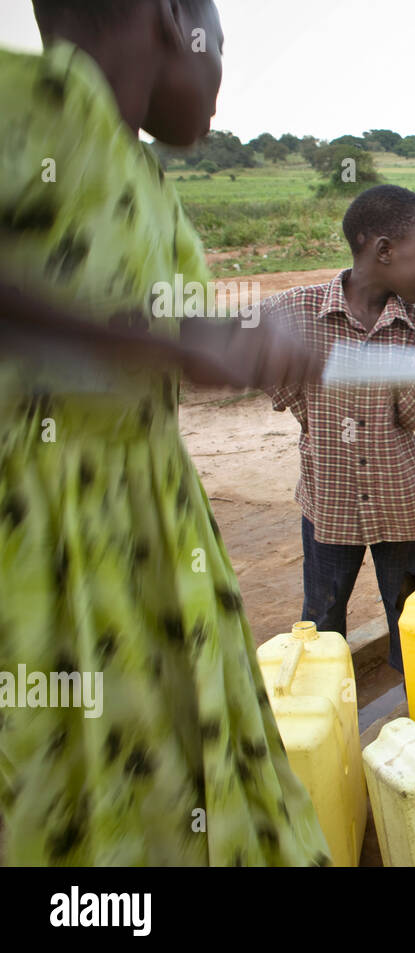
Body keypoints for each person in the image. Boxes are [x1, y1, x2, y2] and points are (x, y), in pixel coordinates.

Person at [0, 0, 330, 864]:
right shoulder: (35, 106)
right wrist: (169, 340)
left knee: (177, 782)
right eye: (218, 46)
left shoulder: (140, 172)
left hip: (150, 525)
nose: (219, 82)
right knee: (73, 790)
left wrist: (225, 345)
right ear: (167, 16)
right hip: (48, 535)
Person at [262, 185, 415, 673]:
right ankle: (328, 695)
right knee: (323, 612)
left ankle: (412, 694)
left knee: (409, 610)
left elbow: (412, 416)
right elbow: (281, 387)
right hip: (329, 500)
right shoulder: (298, 310)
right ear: (384, 251)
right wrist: (319, 423)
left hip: (398, 500)